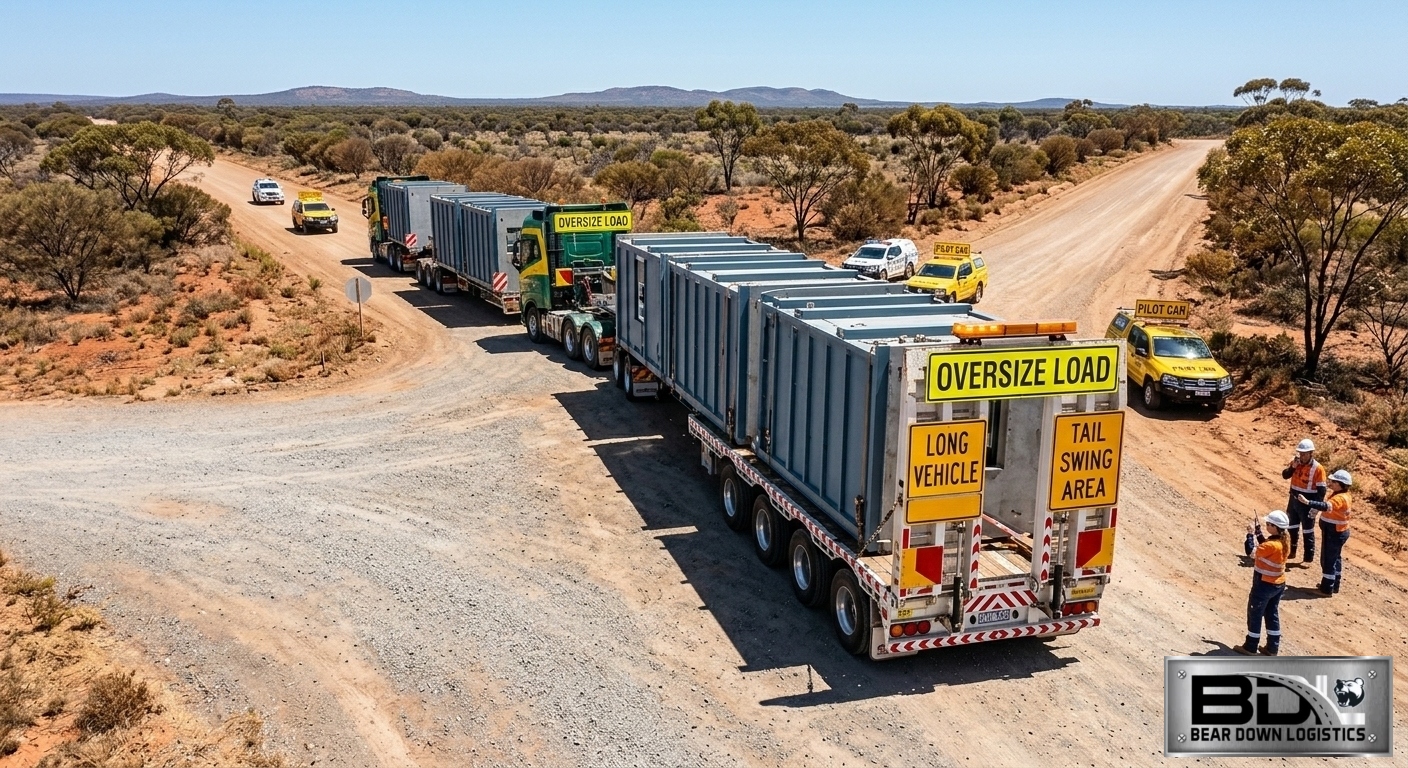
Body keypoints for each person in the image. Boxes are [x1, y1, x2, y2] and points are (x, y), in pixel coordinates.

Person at [1237, 510, 1290, 656]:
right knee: (1271, 613)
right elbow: (1266, 547)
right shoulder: (1283, 542)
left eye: (1268, 524)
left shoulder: (1271, 545)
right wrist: (1258, 533)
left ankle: (1250, 646)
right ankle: (1272, 647)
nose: (1266, 525)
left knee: (1255, 613)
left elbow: (1252, 552)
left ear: (1274, 527)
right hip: (1278, 584)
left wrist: (1250, 535)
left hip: (1264, 584)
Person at [1300, 469, 1352, 596]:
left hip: (1334, 533)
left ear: (1340, 484)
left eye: (1334, 481)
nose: (1331, 483)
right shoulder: (1341, 495)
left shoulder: (1340, 498)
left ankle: (1326, 588)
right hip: (1338, 532)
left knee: (1328, 560)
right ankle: (1334, 585)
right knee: (1335, 558)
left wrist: (1308, 502)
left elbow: (1327, 506)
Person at [1282, 438, 1326, 567]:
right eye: (1300, 453)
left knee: (1307, 530)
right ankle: (1292, 551)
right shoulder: (1295, 463)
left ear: (1311, 453)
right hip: (1293, 499)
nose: (1302, 456)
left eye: (1304, 454)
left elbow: (1322, 491)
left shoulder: (1318, 469)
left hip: (1307, 502)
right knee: (1292, 527)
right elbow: (1285, 475)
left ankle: (1308, 558)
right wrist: (1292, 467)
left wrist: (1316, 507)